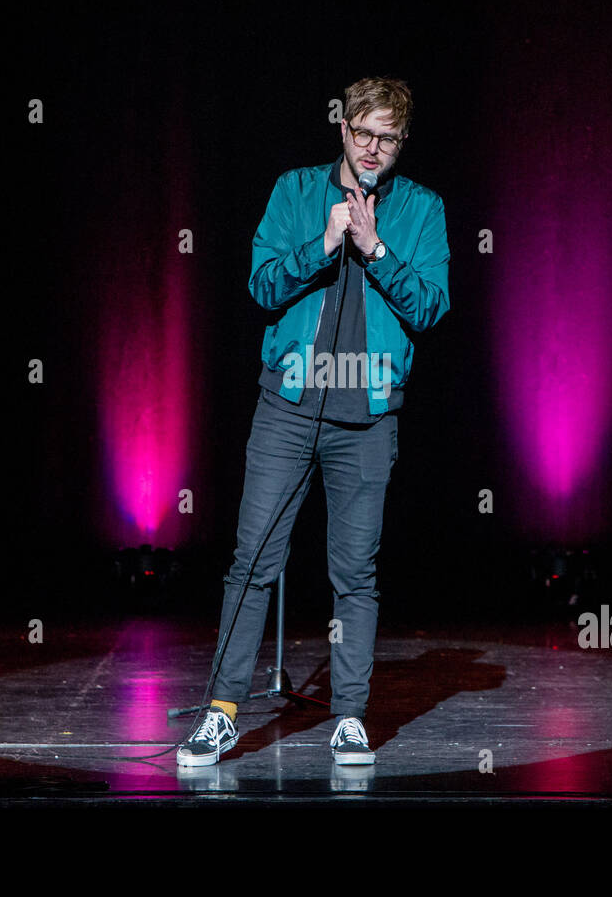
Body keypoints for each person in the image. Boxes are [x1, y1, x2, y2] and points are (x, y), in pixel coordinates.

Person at [177, 76, 450, 767]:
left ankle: (350, 717)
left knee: (355, 573)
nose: (373, 150)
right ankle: (221, 712)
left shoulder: (422, 209)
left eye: (388, 139)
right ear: (343, 128)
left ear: (402, 142)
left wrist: (378, 247)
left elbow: (431, 308)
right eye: (364, 134)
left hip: (367, 418)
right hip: (288, 410)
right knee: (252, 562)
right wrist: (325, 244)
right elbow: (261, 285)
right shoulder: (295, 192)